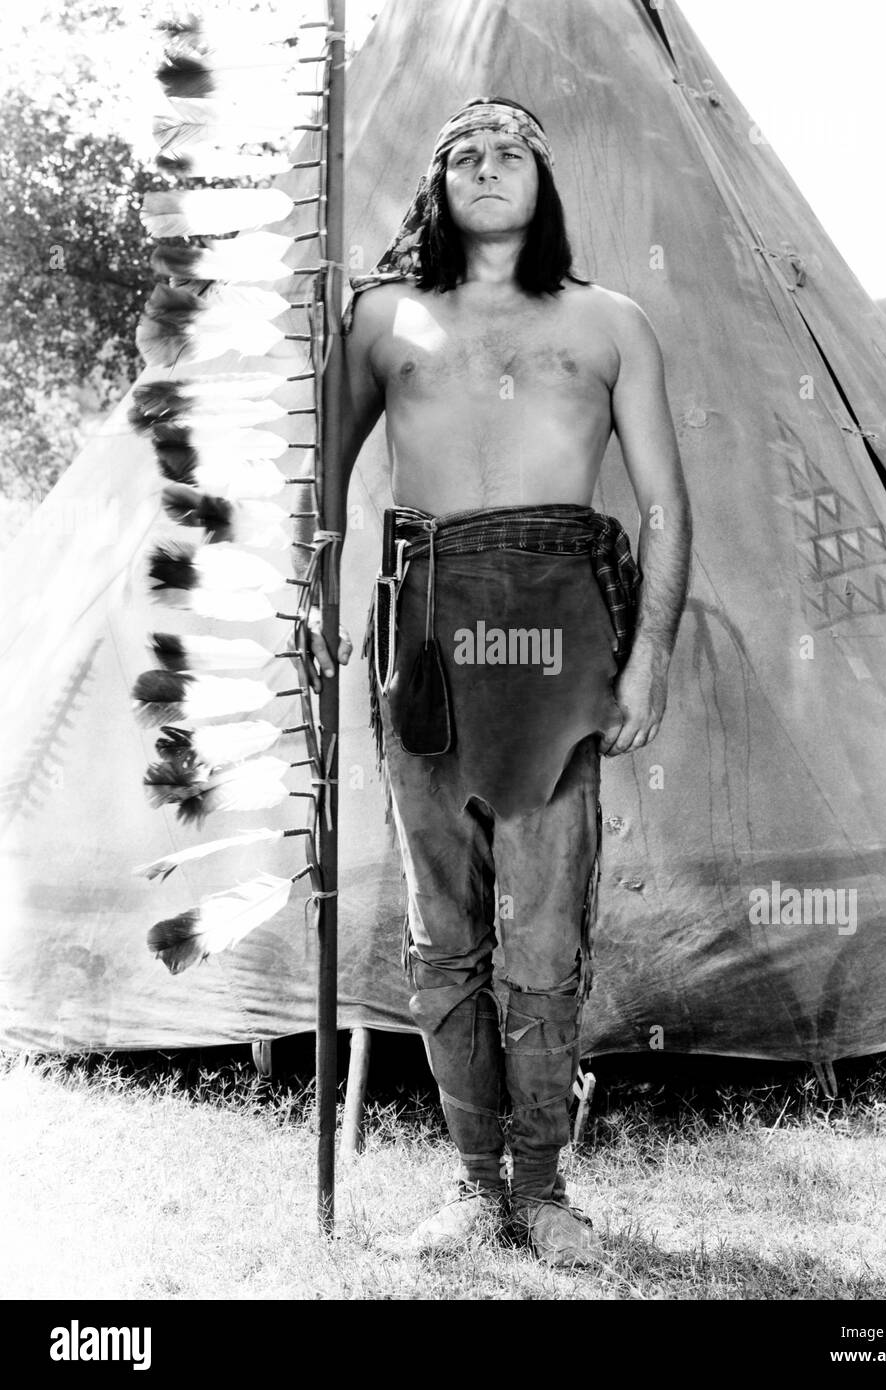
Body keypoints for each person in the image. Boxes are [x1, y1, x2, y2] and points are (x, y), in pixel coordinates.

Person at [308, 96, 691, 1266]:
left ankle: (542, 1185)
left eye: (509, 150)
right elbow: (320, 487)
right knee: (441, 934)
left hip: (561, 627)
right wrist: (319, 625)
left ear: (544, 182)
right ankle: (475, 1186)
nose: (485, 165)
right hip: (423, 626)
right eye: (462, 153)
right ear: (436, 184)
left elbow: (667, 503)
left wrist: (650, 656)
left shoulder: (609, 320)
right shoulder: (380, 318)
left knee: (544, 929)